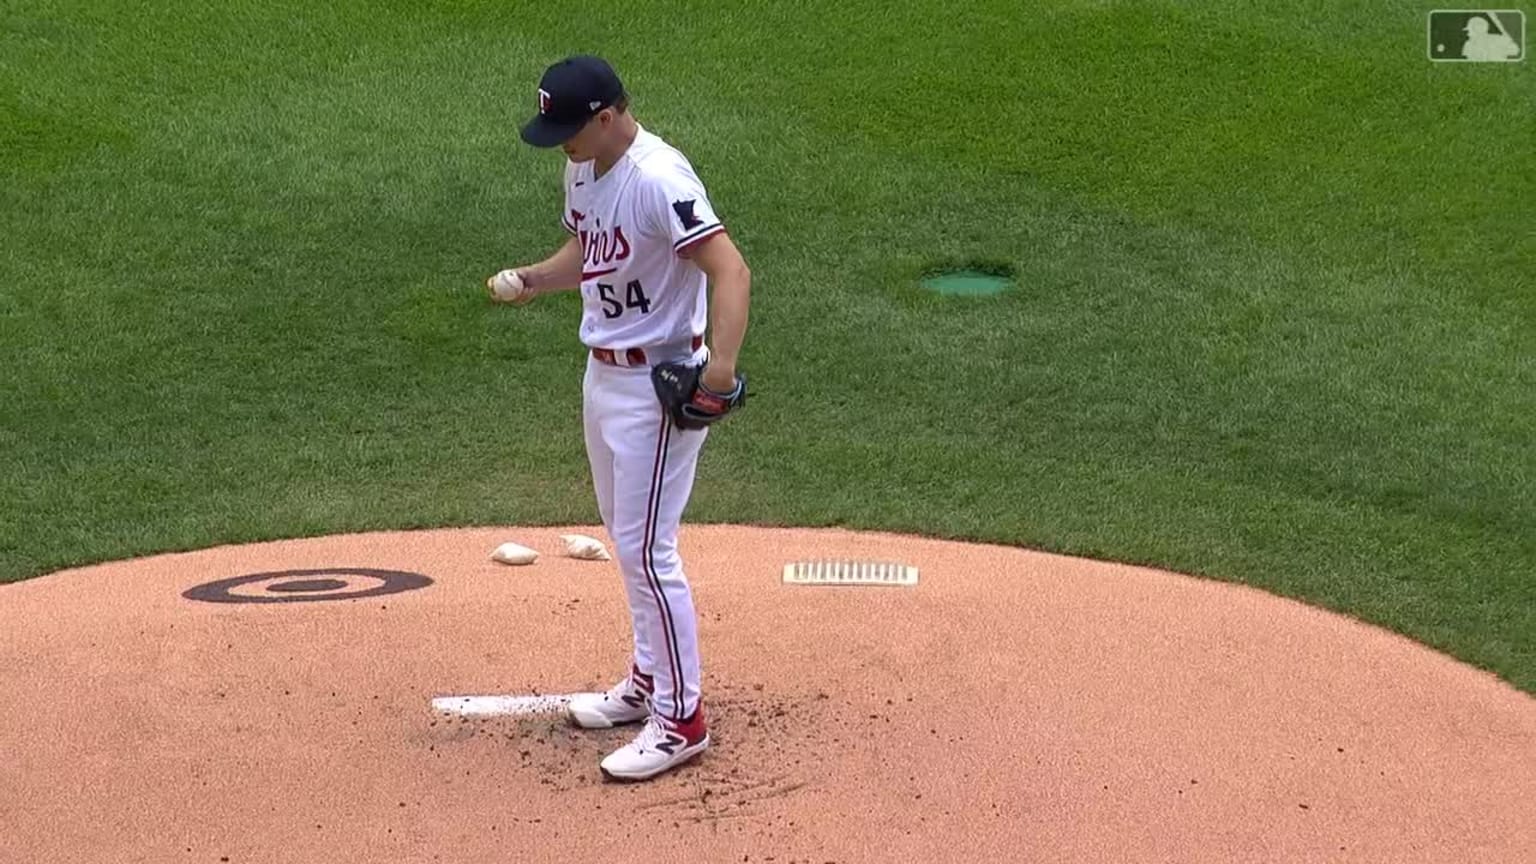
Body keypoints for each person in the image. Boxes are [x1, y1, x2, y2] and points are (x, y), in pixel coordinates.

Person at [485, 55, 752, 782]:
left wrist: (719, 371)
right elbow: (591, 249)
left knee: (647, 551)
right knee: (626, 539)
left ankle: (682, 720)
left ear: (607, 118)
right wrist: (539, 279)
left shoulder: (661, 180)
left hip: (658, 389)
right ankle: (645, 682)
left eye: (569, 129)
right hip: (602, 375)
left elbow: (730, 269)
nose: (560, 143)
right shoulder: (583, 167)